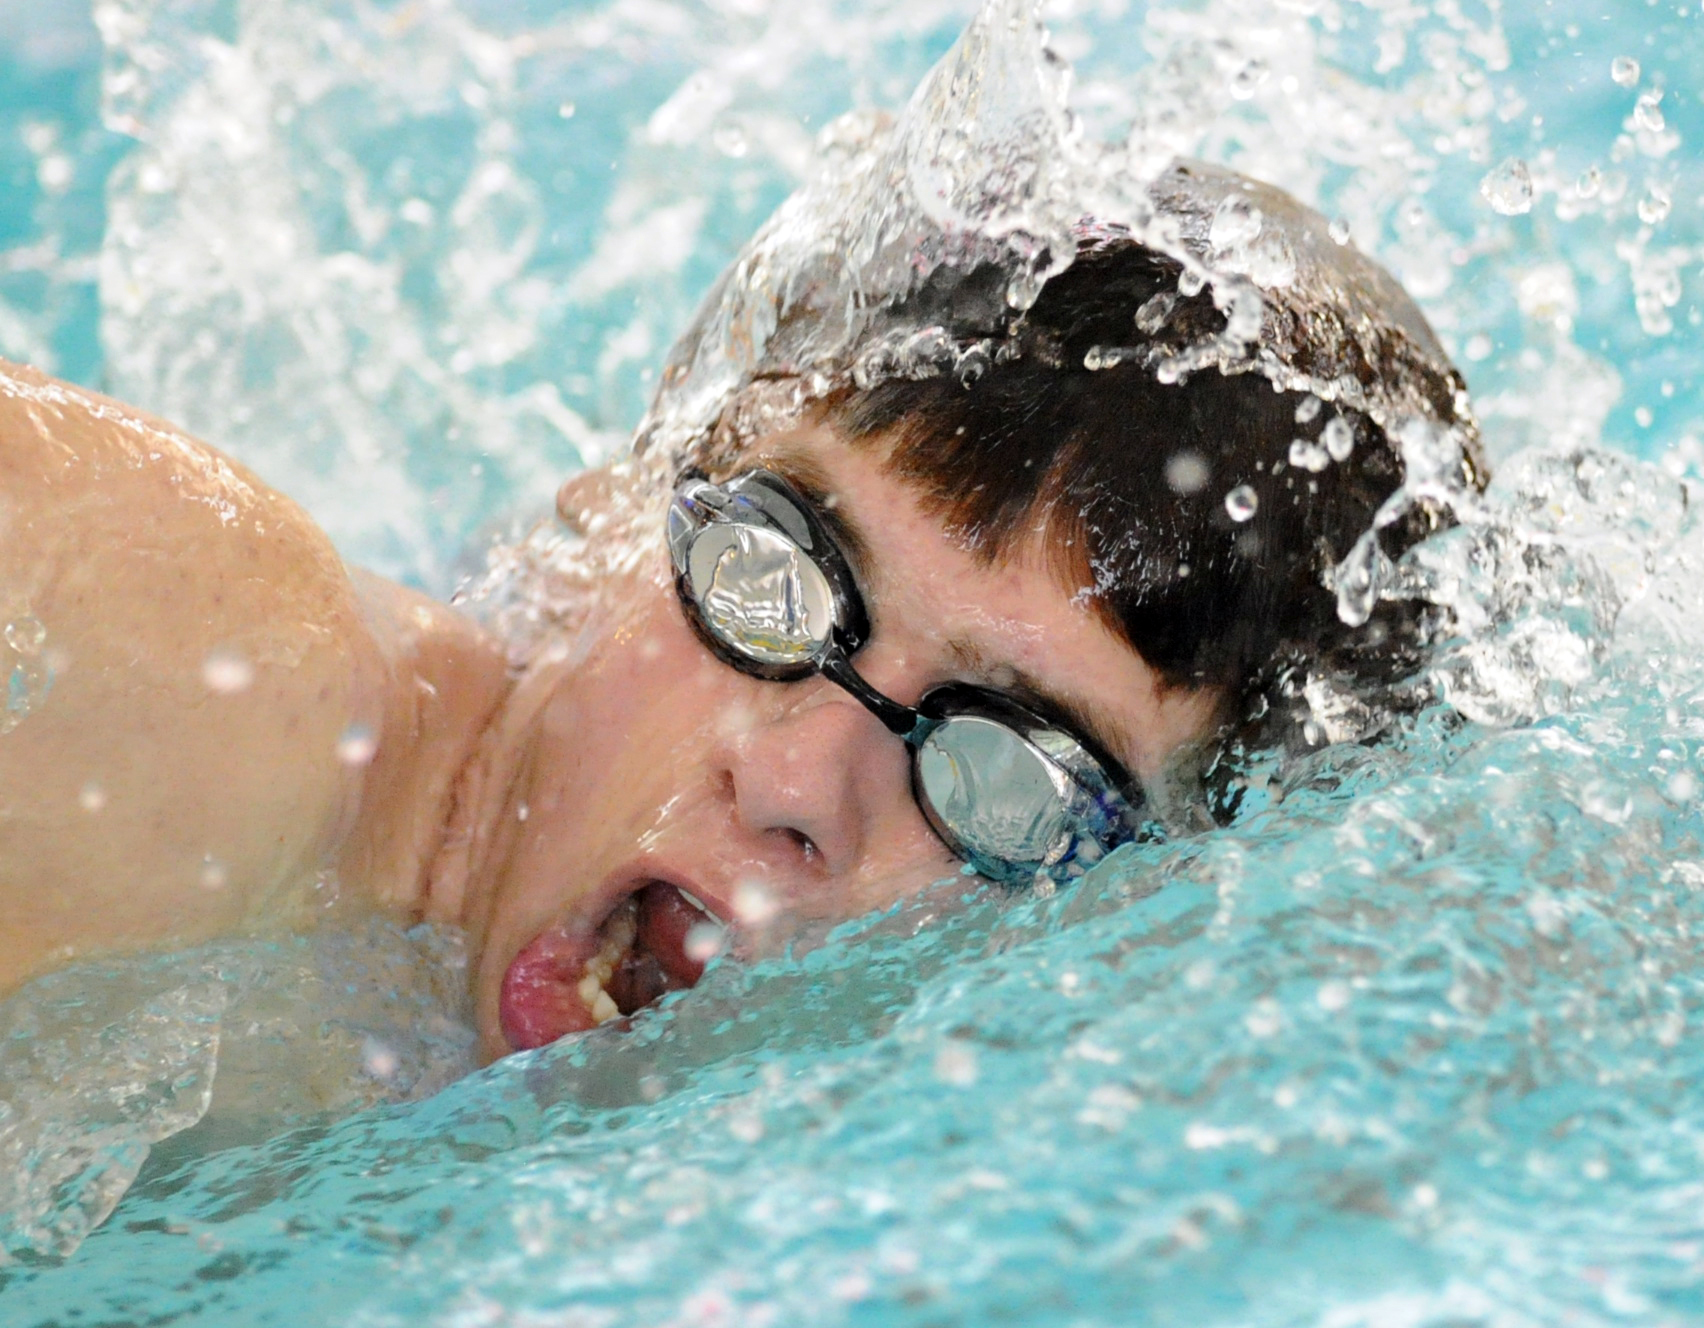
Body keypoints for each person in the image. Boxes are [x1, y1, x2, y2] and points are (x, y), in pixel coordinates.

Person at [0, 160, 1483, 1066]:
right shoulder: (193, 679)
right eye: (774, 575)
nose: (791, 783)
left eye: (1010, 770)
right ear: (618, 518)